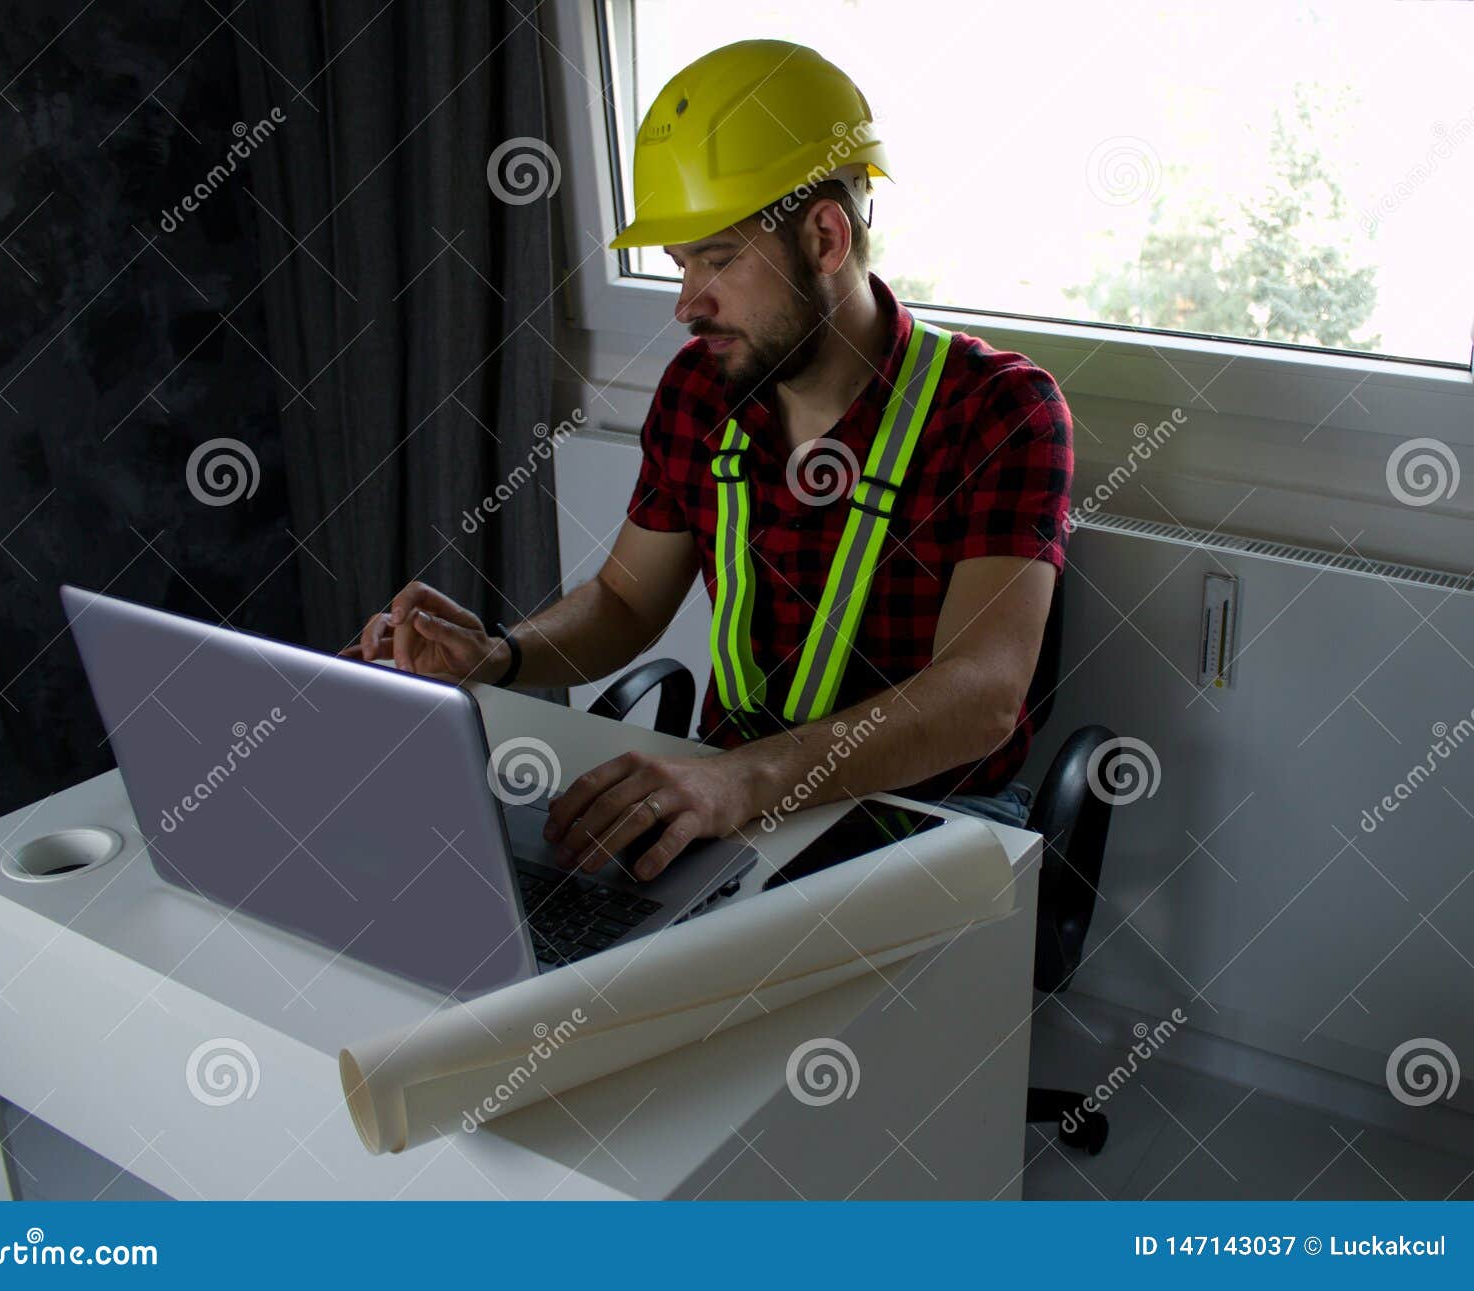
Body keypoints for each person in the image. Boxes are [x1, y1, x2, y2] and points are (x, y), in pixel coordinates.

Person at [346, 39, 1072, 878]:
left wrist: (740, 778)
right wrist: (500, 657)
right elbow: (624, 599)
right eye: (681, 264)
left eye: (718, 259)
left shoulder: (1002, 411)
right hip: (737, 797)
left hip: (927, 816)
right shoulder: (702, 387)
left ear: (826, 236)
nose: (688, 304)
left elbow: (982, 696)